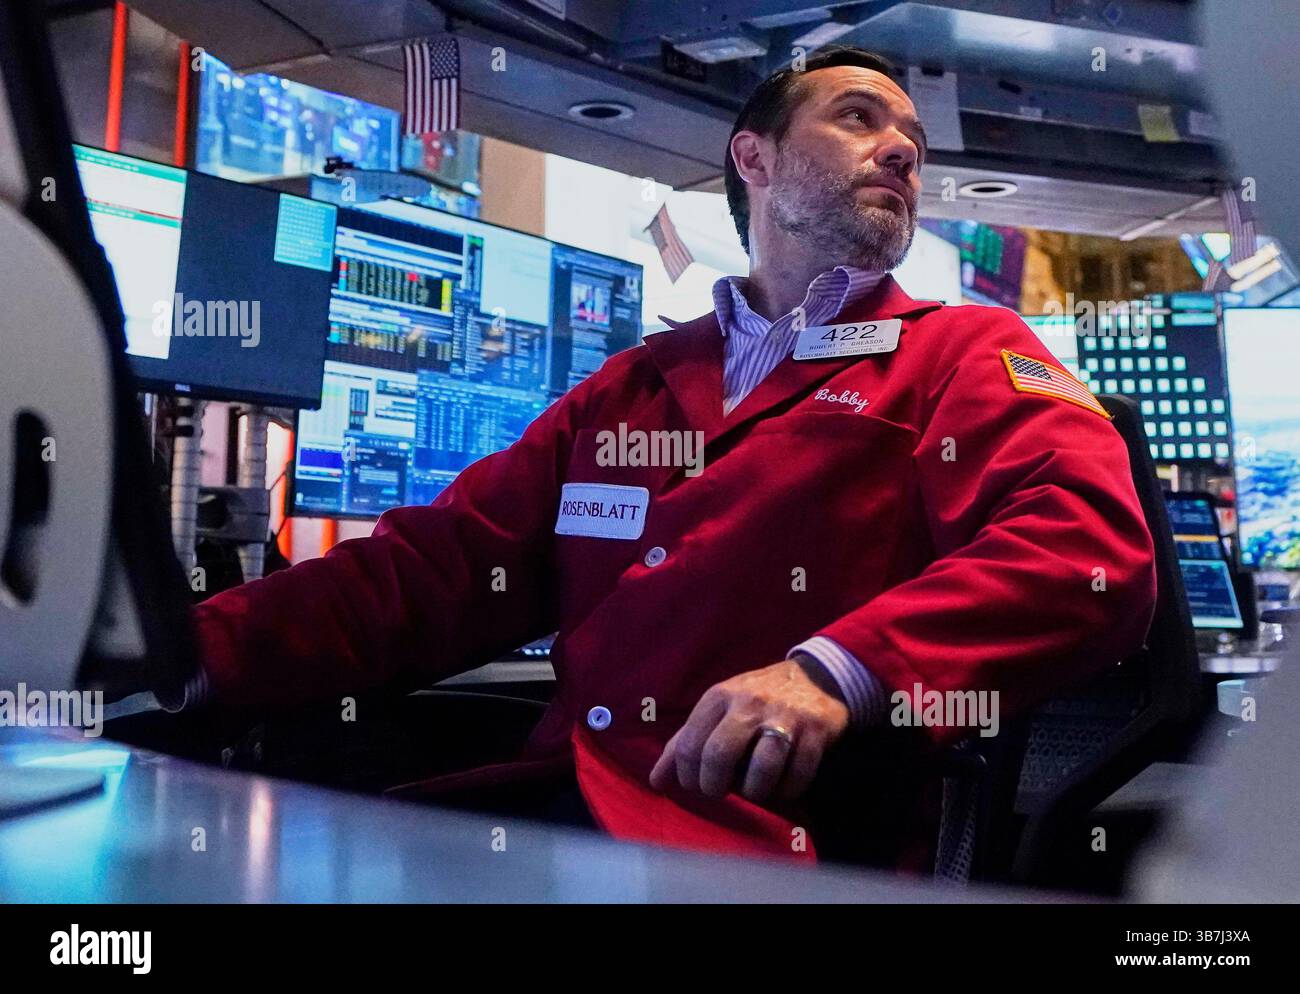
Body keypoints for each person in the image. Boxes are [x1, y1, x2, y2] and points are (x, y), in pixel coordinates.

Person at [187, 47, 1156, 867]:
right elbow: (432, 570)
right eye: (858, 118)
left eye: (912, 141)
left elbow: (1089, 553)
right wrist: (180, 650)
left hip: (756, 845)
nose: (900, 148)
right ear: (754, 158)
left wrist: (834, 672)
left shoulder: (962, 353)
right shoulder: (634, 385)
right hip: (554, 816)